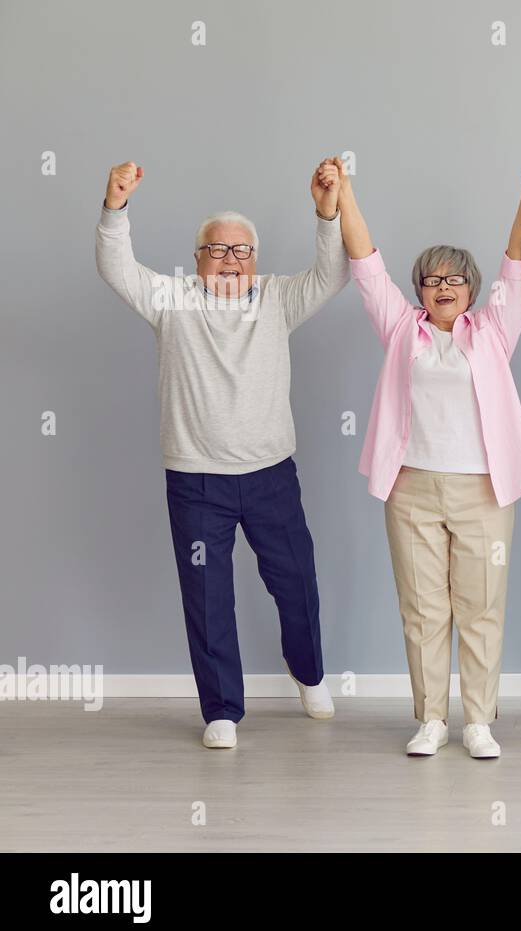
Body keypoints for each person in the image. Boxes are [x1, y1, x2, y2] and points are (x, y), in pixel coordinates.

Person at [94, 158, 350, 749]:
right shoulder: (171, 300)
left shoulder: (279, 298)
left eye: (241, 251)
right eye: (218, 251)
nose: (230, 259)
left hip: (270, 476)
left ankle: (309, 672)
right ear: (197, 258)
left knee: (297, 583)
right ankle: (221, 711)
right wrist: (115, 206)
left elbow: (334, 273)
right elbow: (116, 267)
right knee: (207, 596)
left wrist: (326, 210)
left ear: (255, 259)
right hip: (196, 481)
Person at [335, 160, 521, 759]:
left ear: (472, 290)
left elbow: (516, 261)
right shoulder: (401, 329)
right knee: (423, 609)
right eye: (431, 279)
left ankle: (478, 720)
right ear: (420, 289)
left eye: (454, 279)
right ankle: (430, 719)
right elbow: (366, 265)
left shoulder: (495, 329)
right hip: (412, 488)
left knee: (480, 608)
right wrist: (344, 191)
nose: (443, 287)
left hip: (483, 488)